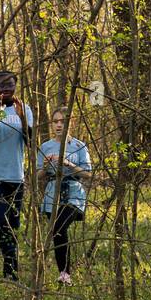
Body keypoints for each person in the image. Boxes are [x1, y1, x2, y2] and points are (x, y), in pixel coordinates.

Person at [0, 70, 35, 281]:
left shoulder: (25, 110)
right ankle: (9, 272)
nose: (6, 89)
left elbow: (30, 142)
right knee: (2, 221)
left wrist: (21, 117)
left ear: (15, 86)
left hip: (16, 177)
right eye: (1, 85)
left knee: (14, 223)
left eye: (9, 84)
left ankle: (12, 267)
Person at [36, 106, 92, 285]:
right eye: (55, 122)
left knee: (60, 226)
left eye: (63, 121)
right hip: (52, 193)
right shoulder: (45, 146)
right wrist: (45, 167)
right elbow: (36, 175)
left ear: (71, 123)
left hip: (74, 193)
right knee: (57, 231)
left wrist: (67, 163)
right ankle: (64, 274)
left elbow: (88, 173)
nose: (59, 125)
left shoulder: (79, 145)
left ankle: (66, 273)